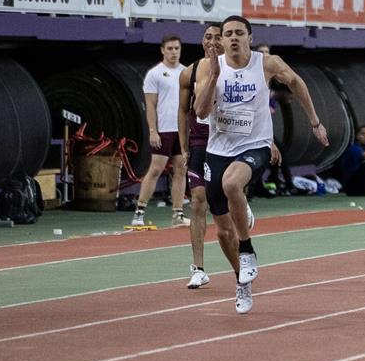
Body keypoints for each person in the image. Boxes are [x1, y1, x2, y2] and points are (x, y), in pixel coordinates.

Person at [192, 16, 330, 314]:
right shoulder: (207, 67)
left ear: (250, 37)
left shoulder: (266, 63)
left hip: (255, 146)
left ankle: (247, 249)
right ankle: (241, 281)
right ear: (221, 40)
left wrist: (315, 122)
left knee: (232, 183)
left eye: (239, 33)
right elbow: (200, 112)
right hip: (218, 150)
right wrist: (214, 75)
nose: (233, 38)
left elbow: (297, 82)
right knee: (222, 231)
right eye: (228, 34)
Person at [176, 22, 222, 287]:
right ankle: (198, 268)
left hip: (227, 142)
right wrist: (184, 147)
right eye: (208, 37)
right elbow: (183, 111)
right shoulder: (189, 73)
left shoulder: (237, 70)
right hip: (200, 141)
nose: (212, 42)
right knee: (197, 201)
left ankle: (243, 256)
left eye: (217, 37)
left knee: (225, 200)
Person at [132, 35, 187, 228]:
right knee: (155, 170)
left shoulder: (186, 73)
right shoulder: (154, 74)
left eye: (177, 48)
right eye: (170, 48)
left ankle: (178, 214)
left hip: (182, 131)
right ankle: (139, 213)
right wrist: (153, 131)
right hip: (164, 130)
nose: (174, 52)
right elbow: (150, 105)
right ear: (163, 50)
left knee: (181, 170)